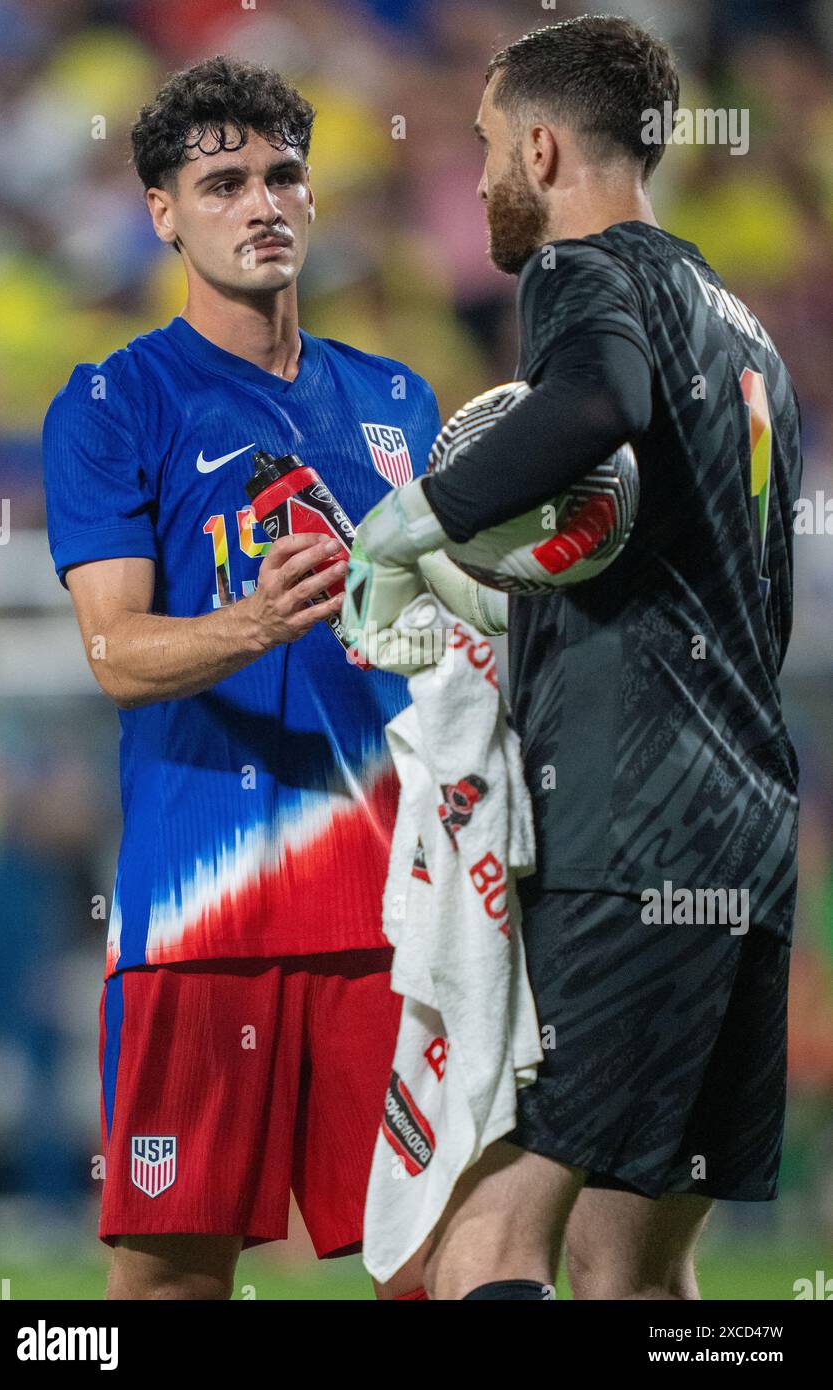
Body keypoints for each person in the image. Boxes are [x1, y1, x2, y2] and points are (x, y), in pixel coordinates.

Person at [346, 15, 802, 1300]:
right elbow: (702, 581)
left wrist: (408, 525)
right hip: (743, 839)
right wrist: (508, 607)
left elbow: (594, 401)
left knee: (483, 1246)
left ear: (541, 149)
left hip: (620, 829)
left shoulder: (576, 269)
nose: (482, 173)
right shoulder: (748, 337)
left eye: (488, 145)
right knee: (636, 1275)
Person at [42, 55, 442, 1300]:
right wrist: (256, 620)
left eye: (282, 175)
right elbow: (115, 653)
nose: (262, 203)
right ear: (162, 213)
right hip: (201, 918)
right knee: (169, 1286)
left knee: (433, 1271)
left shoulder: (400, 400)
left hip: (392, 918)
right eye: (222, 184)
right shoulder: (112, 401)